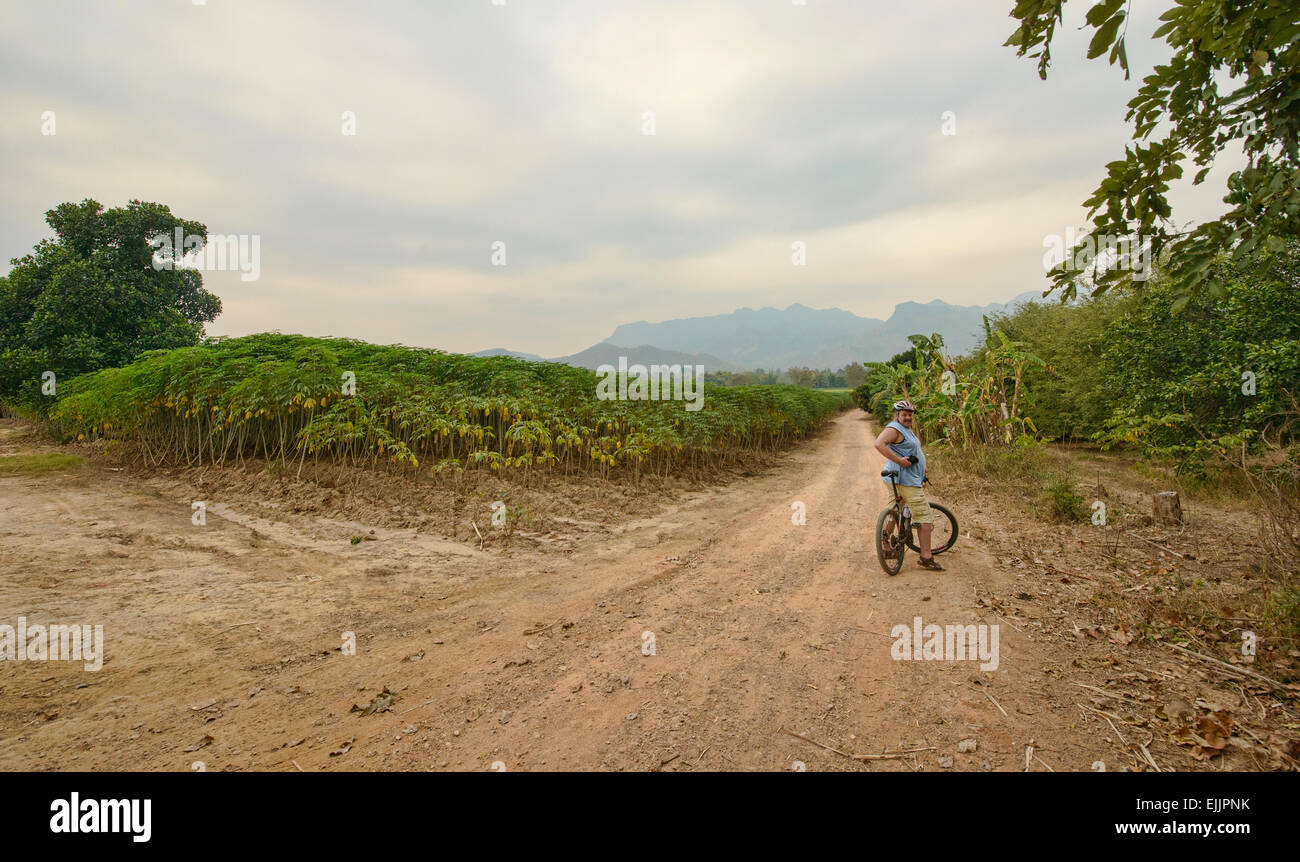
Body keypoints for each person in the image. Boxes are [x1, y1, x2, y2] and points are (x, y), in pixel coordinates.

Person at [873, 399, 943, 571]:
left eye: (910, 415)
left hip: (897, 479)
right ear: (896, 415)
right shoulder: (894, 429)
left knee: (895, 512)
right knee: (924, 517)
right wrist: (899, 461)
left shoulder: (905, 430)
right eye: (904, 414)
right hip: (907, 482)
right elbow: (878, 444)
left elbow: (910, 450)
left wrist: (922, 466)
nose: (907, 417)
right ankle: (926, 557)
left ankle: (886, 546)